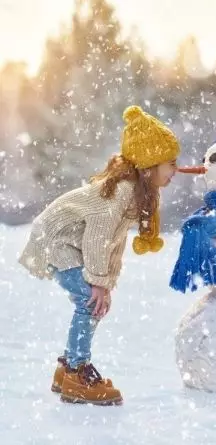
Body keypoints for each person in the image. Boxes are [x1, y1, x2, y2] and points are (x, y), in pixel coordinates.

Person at [18, 105, 180, 404]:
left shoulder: (136, 192)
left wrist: (105, 282)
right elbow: (98, 237)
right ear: (149, 165)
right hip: (57, 240)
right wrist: (97, 282)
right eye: (170, 163)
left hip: (70, 243)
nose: (176, 169)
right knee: (89, 303)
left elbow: (113, 243)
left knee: (93, 301)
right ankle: (77, 373)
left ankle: (67, 369)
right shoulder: (122, 191)